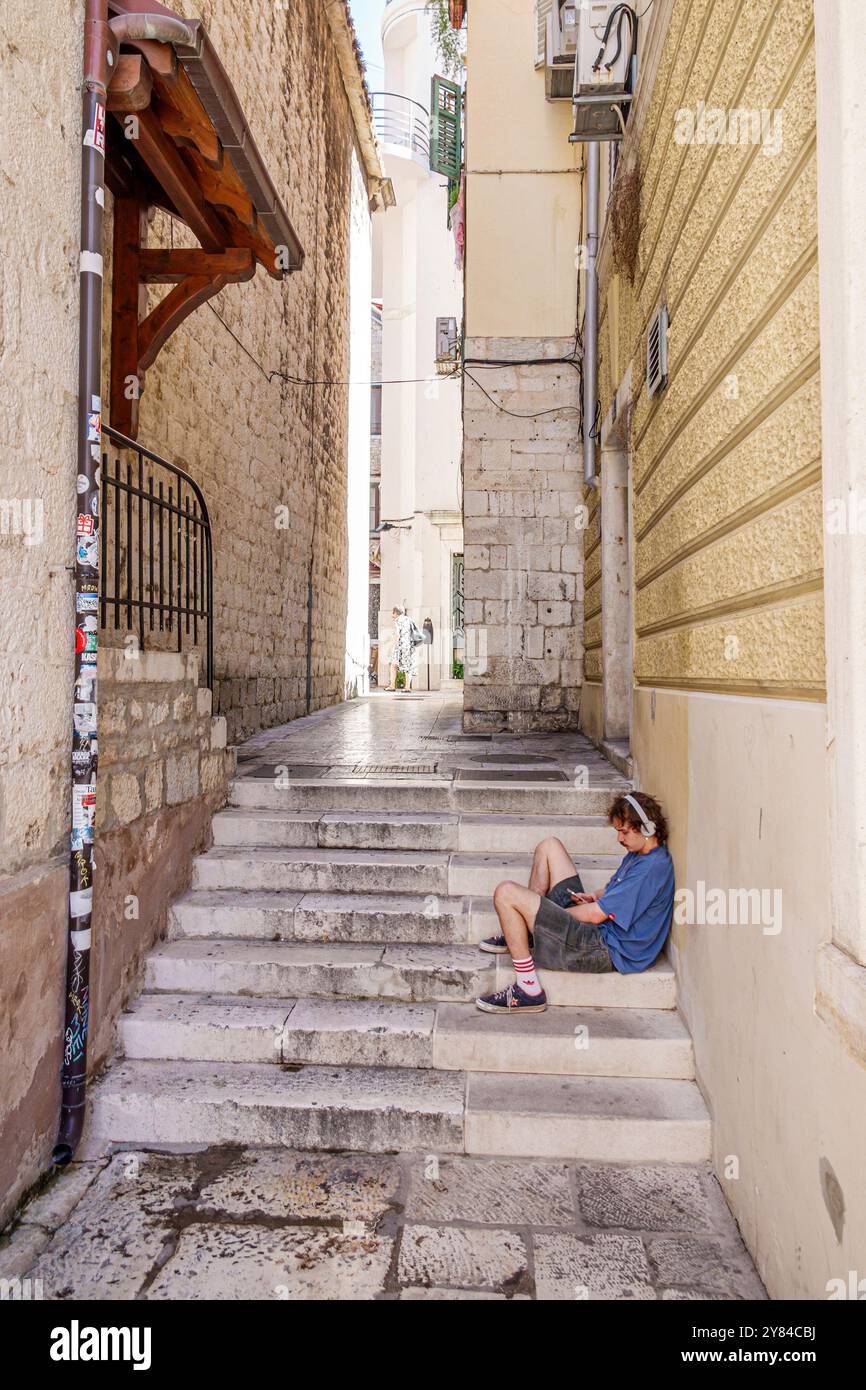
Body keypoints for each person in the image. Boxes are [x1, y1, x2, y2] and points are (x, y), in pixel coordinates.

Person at [475, 792, 675, 1014]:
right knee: (549, 846)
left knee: (506, 892)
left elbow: (595, 915)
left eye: (624, 832)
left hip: (603, 948)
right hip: (600, 931)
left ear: (646, 828)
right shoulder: (642, 854)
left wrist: (546, 914)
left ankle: (528, 989)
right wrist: (595, 895)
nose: (619, 839)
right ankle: (527, 933)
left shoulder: (650, 869)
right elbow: (616, 889)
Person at [383, 605, 418, 692]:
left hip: (401, 647)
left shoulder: (397, 620)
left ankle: (392, 686)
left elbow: (397, 635)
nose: (392, 615)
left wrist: (392, 647)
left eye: (393, 613)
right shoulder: (409, 619)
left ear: (395, 613)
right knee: (408, 667)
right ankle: (407, 687)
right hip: (410, 646)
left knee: (393, 665)